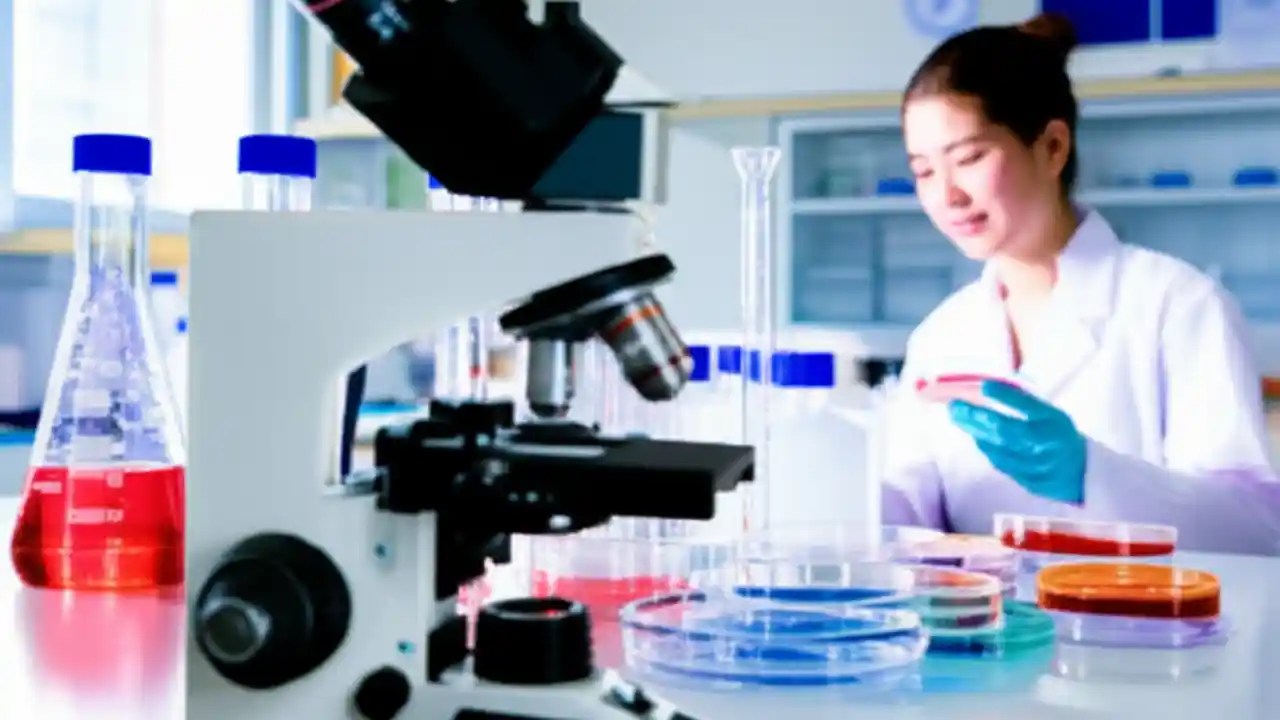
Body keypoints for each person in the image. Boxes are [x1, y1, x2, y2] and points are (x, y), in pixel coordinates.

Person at [881, 12, 1280, 555]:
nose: (947, 196)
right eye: (924, 171)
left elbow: (1253, 528)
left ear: (1052, 147)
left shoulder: (1178, 305)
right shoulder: (941, 335)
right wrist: (853, 495)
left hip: (1135, 611)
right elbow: (909, 512)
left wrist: (1094, 474)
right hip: (985, 612)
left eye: (969, 158)